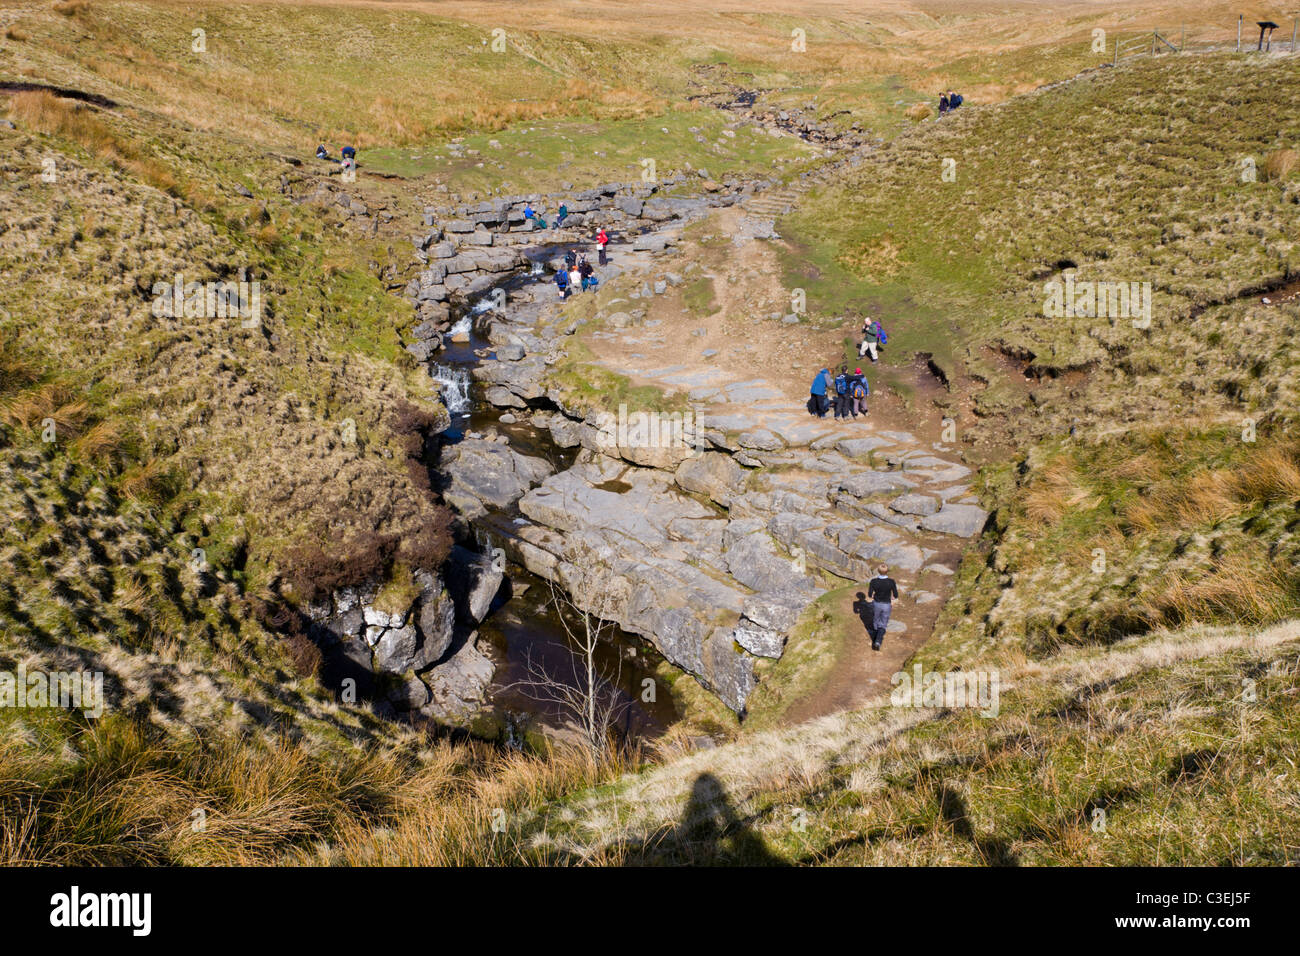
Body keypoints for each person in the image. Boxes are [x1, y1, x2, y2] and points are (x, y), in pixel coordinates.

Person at [866, 564, 899, 651]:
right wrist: (893, 597)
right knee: (883, 623)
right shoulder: (891, 581)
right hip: (886, 605)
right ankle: (878, 641)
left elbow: (869, 594)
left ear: (878, 571)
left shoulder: (873, 581)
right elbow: (895, 595)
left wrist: (873, 596)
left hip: (877, 604)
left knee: (876, 621)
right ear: (887, 571)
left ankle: (875, 637)